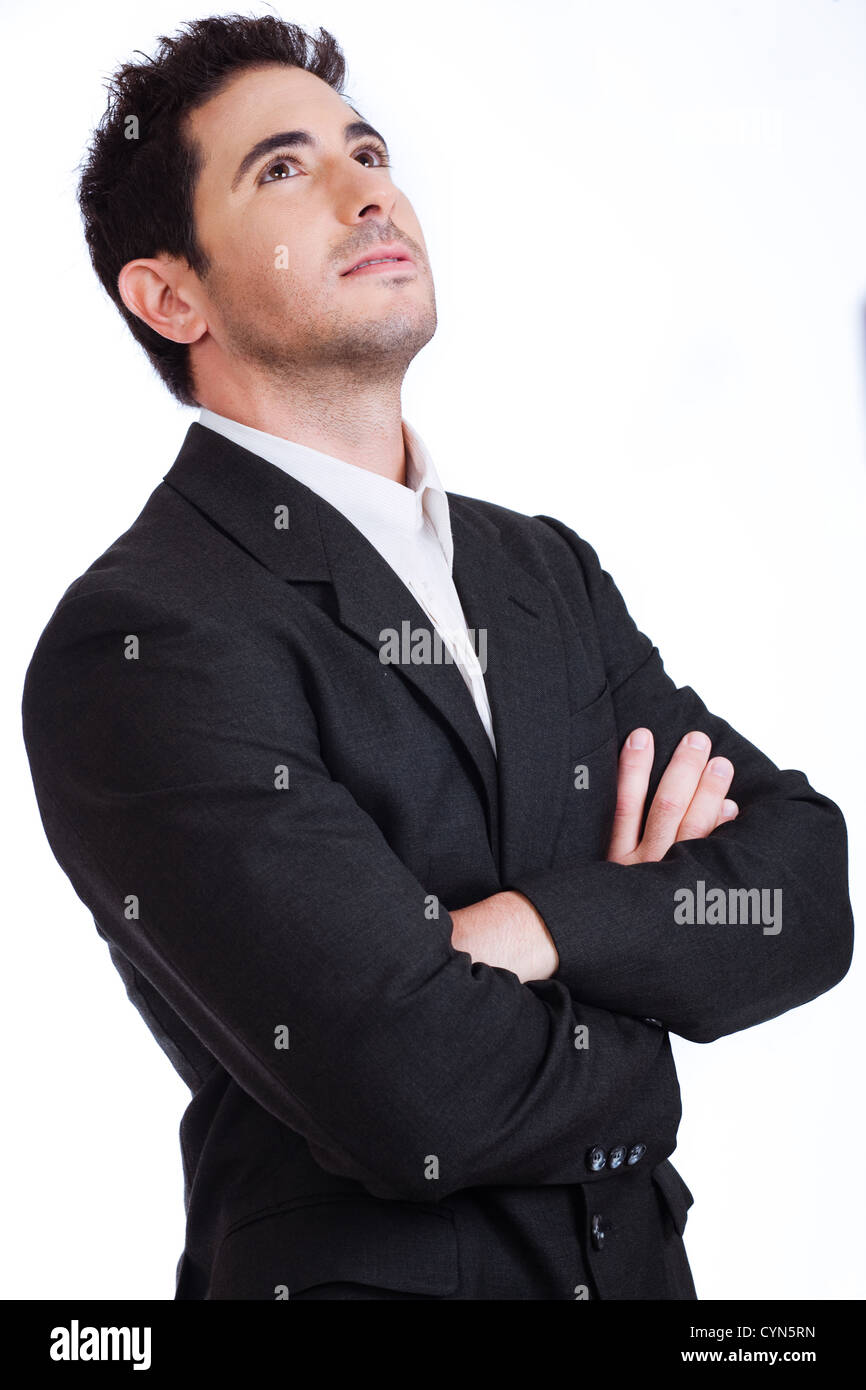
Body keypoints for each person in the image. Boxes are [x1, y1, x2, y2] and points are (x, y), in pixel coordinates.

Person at [21, 15, 853, 1300]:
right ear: (168, 292)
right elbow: (408, 1087)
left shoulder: (540, 573)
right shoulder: (145, 639)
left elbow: (798, 888)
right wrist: (650, 992)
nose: (370, 190)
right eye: (283, 169)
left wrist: (530, 925)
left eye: (369, 148)